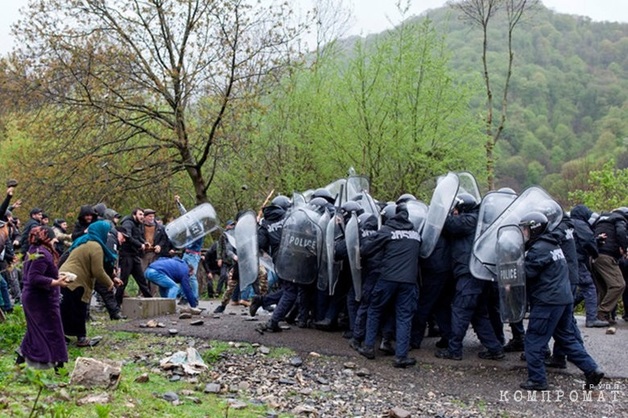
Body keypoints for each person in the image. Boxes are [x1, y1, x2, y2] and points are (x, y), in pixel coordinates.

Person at [517, 211, 604, 391]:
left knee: (534, 339)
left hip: (547, 301)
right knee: (566, 338)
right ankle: (592, 369)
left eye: (525, 229)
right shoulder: (553, 245)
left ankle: (537, 380)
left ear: (534, 229)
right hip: (563, 299)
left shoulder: (538, 250)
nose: (523, 233)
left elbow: (525, 275)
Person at [436, 193, 504, 361]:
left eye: (457, 209)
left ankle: (454, 350)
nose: (455, 212)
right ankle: (495, 348)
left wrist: (442, 210)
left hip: (469, 275)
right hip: (477, 274)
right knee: (479, 314)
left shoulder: (471, 220)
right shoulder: (479, 220)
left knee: (460, 311)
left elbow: (447, 224)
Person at [357, 203, 421, 368]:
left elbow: (366, 250)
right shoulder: (415, 234)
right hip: (409, 281)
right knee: (404, 317)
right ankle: (401, 357)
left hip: (387, 278)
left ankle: (369, 347)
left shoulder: (387, 231)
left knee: (374, 310)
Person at [59, 220, 122, 347]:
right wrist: (109, 284)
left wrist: (112, 277)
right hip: (76, 280)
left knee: (66, 309)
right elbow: (97, 270)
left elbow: (100, 267)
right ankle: (81, 339)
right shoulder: (95, 246)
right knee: (78, 310)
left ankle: (60, 336)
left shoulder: (84, 241)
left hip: (66, 277)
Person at [16, 226, 69, 371]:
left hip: (33, 298)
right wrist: (57, 282)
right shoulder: (43, 254)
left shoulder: (33, 251)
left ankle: (20, 360)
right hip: (41, 300)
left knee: (35, 329)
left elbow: (40, 273)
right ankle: (59, 365)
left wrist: (58, 276)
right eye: (53, 238)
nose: (56, 240)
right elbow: (34, 278)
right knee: (54, 330)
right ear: (47, 239)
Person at [590, 208, 627, 324]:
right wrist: (624, 247)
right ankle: (601, 313)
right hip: (606, 257)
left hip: (593, 256)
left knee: (603, 288)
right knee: (618, 285)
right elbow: (621, 232)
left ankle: (602, 317)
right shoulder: (619, 219)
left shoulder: (600, 220)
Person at [116, 208, 153, 305]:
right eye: (140, 214)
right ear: (134, 214)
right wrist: (140, 245)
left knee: (142, 280)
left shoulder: (138, 225)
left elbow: (138, 236)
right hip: (126, 255)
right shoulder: (128, 223)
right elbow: (127, 237)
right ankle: (116, 305)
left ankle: (150, 301)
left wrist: (144, 242)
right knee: (123, 281)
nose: (142, 217)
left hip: (134, 255)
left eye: (143, 215)